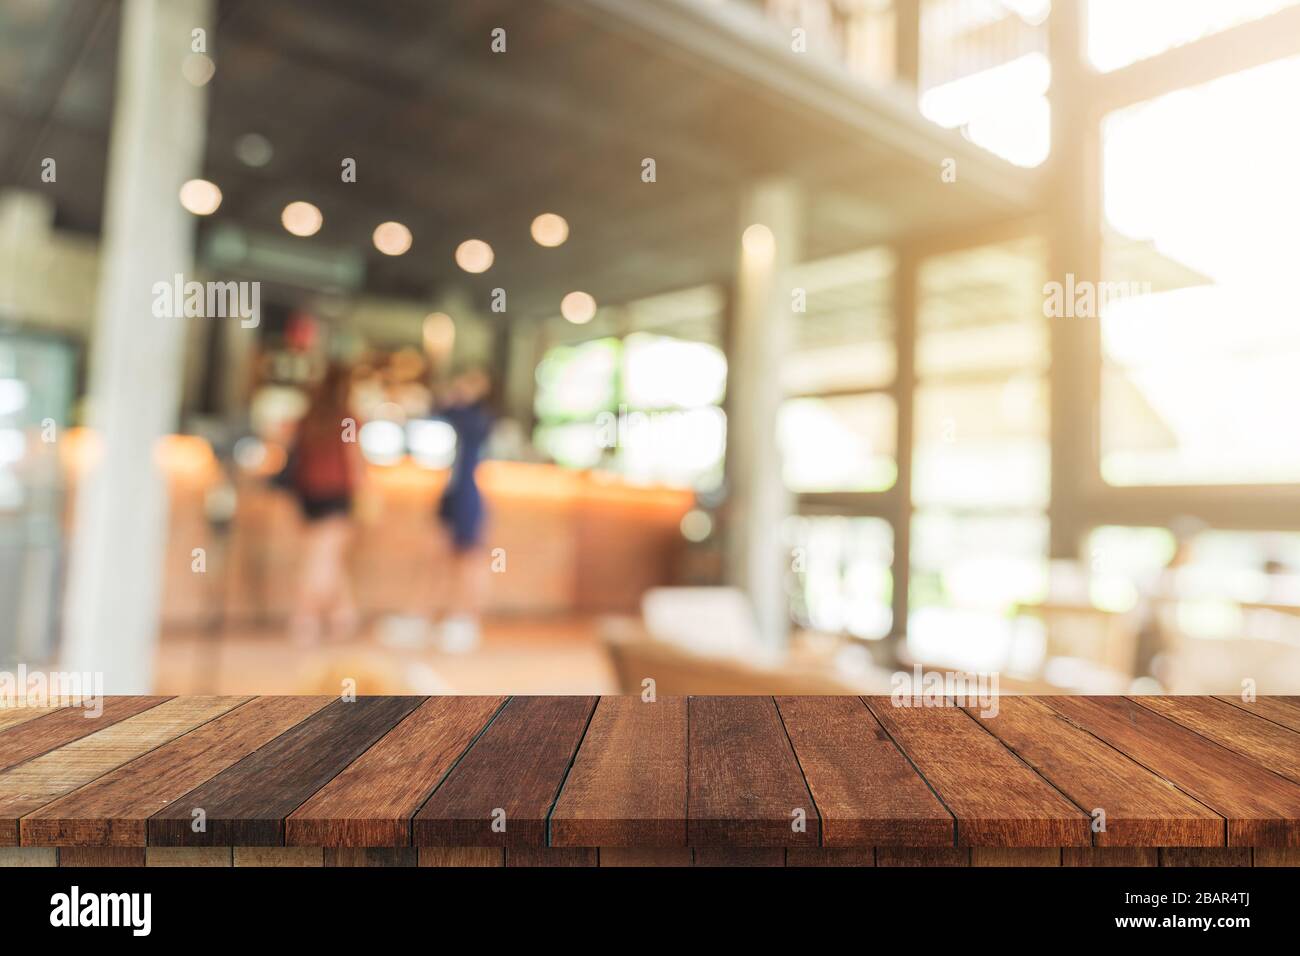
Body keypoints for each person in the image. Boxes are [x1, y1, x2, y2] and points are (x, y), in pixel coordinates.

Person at [285, 364, 363, 645]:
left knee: (326, 556)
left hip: (308, 496)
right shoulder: (346, 418)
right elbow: (353, 459)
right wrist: (363, 493)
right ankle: (305, 619)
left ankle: (344, 616)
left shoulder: (310, 416)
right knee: (322, 560)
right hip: (336, 494)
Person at [433, 368, 493, 652]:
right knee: (443, 557)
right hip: (453, 494)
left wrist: (454, 398)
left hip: (468, 497)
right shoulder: (457, 416)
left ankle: (466, 619)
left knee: (470, 559)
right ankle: (444, 618)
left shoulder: (477, 419)